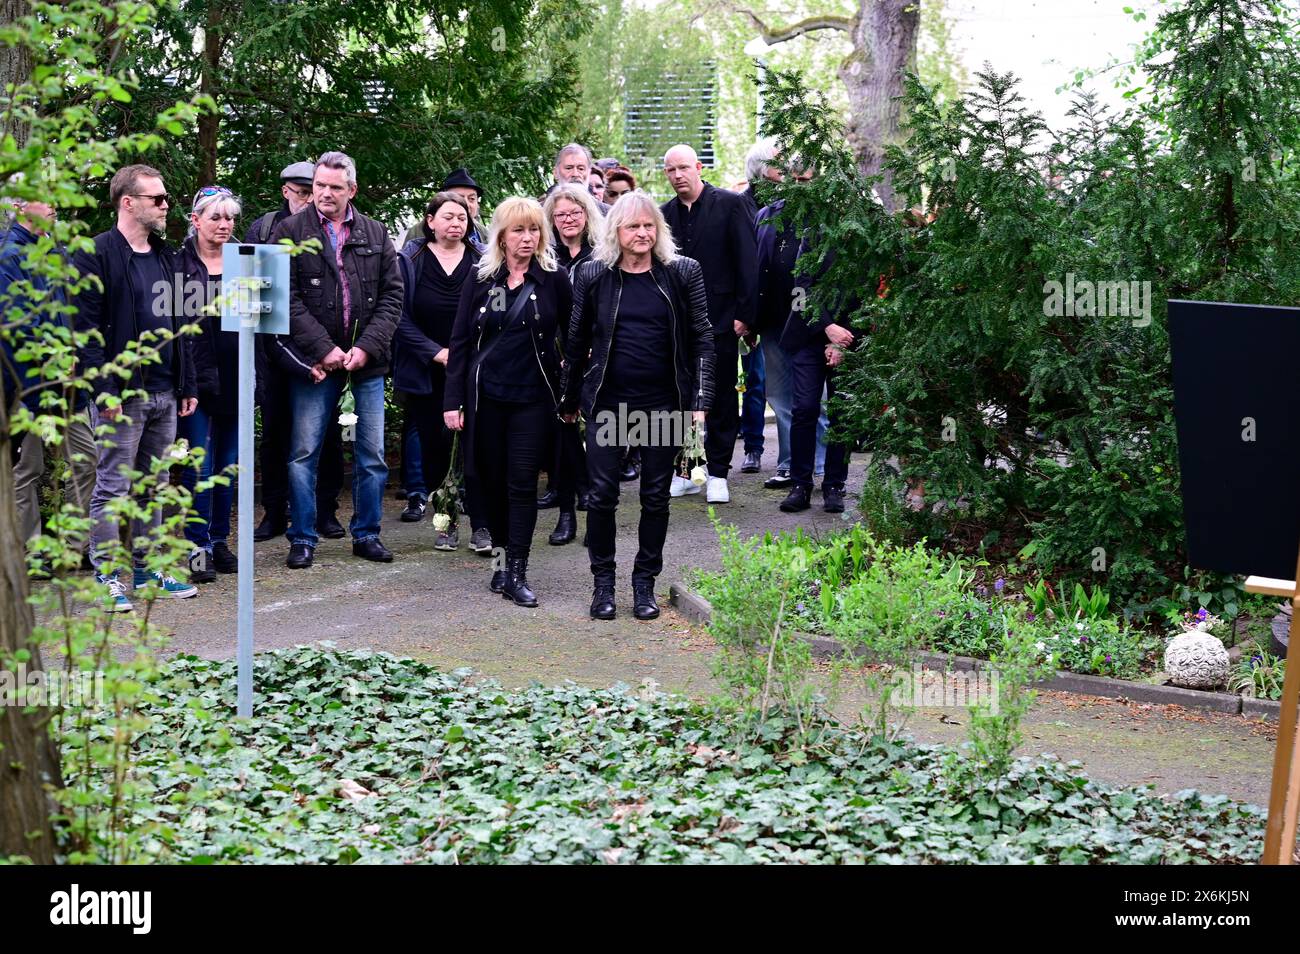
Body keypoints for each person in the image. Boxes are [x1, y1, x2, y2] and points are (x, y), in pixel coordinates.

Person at [560, 191, 714, 621]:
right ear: (616, 231)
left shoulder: (683, 273)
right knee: (603, 495)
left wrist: (700, 400)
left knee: (655, 498)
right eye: (633, 226)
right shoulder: (593, 275)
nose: (642, 233)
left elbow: (703, 337)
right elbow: (575, 344)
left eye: (649, 225)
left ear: (658, 230)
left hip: (663, 403)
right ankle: (603, 585)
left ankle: (644, 584)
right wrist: (569, 399)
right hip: (610, 404)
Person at [72, 163, 199, 611]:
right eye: (157, 199)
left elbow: (183, 323)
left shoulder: (167, 256)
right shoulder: (95, 253)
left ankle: (148, 572)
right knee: (113, 487)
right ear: (128, 203)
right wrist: (104, 391)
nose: (166, 206)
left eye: (165, 198)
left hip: (166, 391)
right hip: (120, 397)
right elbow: (85, 331)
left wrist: (187, 382)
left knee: (154, 485)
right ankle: (106, 577)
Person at [271, 151, 403, 569]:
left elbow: (392, 297)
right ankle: (303, 537)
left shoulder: (377, 234)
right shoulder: (289, 231)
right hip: (316, 364)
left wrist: (366, 347)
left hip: (367, 363)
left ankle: (367, 534)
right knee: (304, 452)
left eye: (334, 187)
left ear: (352, 190)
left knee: (372, 454)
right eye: (319, 186)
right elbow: (285, 300)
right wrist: (324, 348)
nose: (325, 194)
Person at [443, 197, 572, 607]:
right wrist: (453, 400)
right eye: (519, 230)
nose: (527, 238)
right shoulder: (482, 279)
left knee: (521, 485)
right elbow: (461, 342)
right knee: (490, 484)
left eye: (534, 229)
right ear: (501, 234)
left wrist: (574, 391)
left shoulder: (554, 279)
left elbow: (573, 338)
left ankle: (517, 570)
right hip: (486, 398)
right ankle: (499, 560)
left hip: (533, 399)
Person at [247, 161, 345, 543]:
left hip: (321, 351)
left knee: (329, 434)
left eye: (313, 191)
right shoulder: (266, 228)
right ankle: (274, 511)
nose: (309, 199)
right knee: (275, 433)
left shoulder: (328, 231)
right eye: (301, 192)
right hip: (275, 352)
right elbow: (261, 295)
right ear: (286, 191)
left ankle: (326, 511)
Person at [659, 144, 758, 504]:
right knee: (678, 398)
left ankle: (717, 473)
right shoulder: (663, 214)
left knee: (719, 398)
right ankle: (685, 470)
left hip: (720, 320)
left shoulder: (730, 205)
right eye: (670, 170)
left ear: (699, 167)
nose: (677, 176)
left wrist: (745, 315)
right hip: (674, 326)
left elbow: (748, 260)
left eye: (683, 168)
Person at [176, 185, 266, 583]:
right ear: (196, 220)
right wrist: (182, 383)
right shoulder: (177, 264)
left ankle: (218, 542)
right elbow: (174, 329)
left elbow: (267, 322)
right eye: (215, 217)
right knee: (200, 467)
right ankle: (196, 550)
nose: (224, 224)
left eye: (229, 217)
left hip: (236, 378)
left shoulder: (247, 261)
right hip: (194, 381)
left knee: (228, 467)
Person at [1, 197, 97, 556]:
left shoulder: (57, 253)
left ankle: (73, 549)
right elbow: (14, 320)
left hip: (69, 384)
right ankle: (31, 551)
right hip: (30, 384)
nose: (53, 205)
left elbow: (73, 311)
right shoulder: (9, 255)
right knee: (28, 467)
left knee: (86, 459)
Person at [392, 191, 486, 552]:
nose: (456, 223)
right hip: (425, 370)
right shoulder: (409, 259)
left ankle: (482, 526)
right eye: (447, 216)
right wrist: (436, 352)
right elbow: (397, 317)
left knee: (478, 449)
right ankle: (445, 523)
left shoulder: (483, 260)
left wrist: (465, 355)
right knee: (435, 452)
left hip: (474, 370)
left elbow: (494, 313)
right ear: (430, 221)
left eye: (461, 217)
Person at [755, 166, 829, 489]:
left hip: (814, 323)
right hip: (773, 320)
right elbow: (757, 268)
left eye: (805, 179)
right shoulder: (766, 215)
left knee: (817, 400)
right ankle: (788, 464)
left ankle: (821, 465)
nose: (798, 185)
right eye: (793, 178)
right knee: (780, 396)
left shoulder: (830, 217)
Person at [540, 184, 603, 545]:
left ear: (587, 214)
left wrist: (592, 347)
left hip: (594, 359)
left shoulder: (601, 255)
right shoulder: (548, 257)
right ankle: (567, 514)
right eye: (560, 214)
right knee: (562, 437)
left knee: (594, 437)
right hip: (556, 359)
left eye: (574, 213)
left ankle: (593, 506)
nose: (568, 220)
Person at [779, 242, 856, 515]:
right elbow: (801, 289)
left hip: (849, 338)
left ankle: (835, 484)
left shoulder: (865, 231)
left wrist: (841, 337)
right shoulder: (813, 235)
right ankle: (800, 484)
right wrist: (827, 327)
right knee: (804, 408)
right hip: (808, 335)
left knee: (842, 413)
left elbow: (868, 292)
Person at [543, 144, 611, 214]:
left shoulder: (607, 213)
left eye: (581, 169)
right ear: (555, 173)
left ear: (589, 172)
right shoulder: (540, 214)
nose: (575, 174)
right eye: (568, 168)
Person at [441, 167, 487, 254]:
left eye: (472, 198)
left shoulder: (485, 234)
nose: (466, 204)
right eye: (458, 198)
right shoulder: (419, 232)